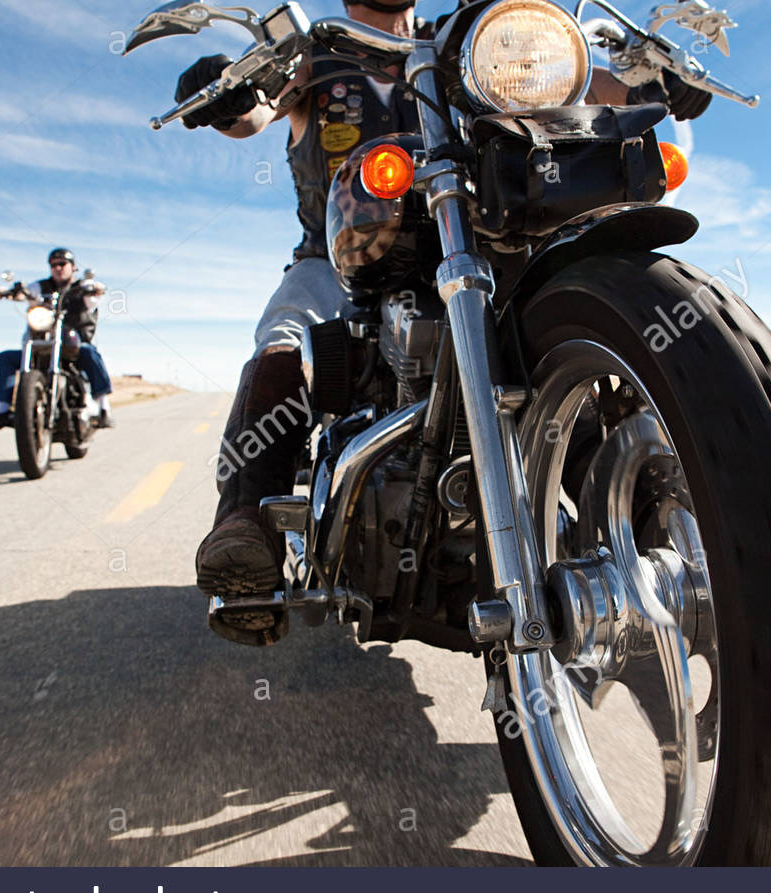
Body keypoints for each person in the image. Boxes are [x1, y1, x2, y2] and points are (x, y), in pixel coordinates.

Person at [187, 0, 712, 642]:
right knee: (287, 333)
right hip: (338, 256)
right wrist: (225, 88)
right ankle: (245, 521)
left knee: (557, 313)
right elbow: (255, 111)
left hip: (466, 243)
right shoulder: (316, 54)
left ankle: (668, 524)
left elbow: (579, 78)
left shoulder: (468, 42)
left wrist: (651, 84)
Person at [0, 248, 116, 435]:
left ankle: (104, 408)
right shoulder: (42, 287)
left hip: (73, 346)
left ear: (73, 267)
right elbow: (26, 293)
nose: (58, 268)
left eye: (62, 264)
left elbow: (95, 291)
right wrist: (12, 293)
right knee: (4, 358)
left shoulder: (82, 287)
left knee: (89, 352)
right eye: (54, 265)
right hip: (42, 344)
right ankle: (2, 411)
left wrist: (96, 288)